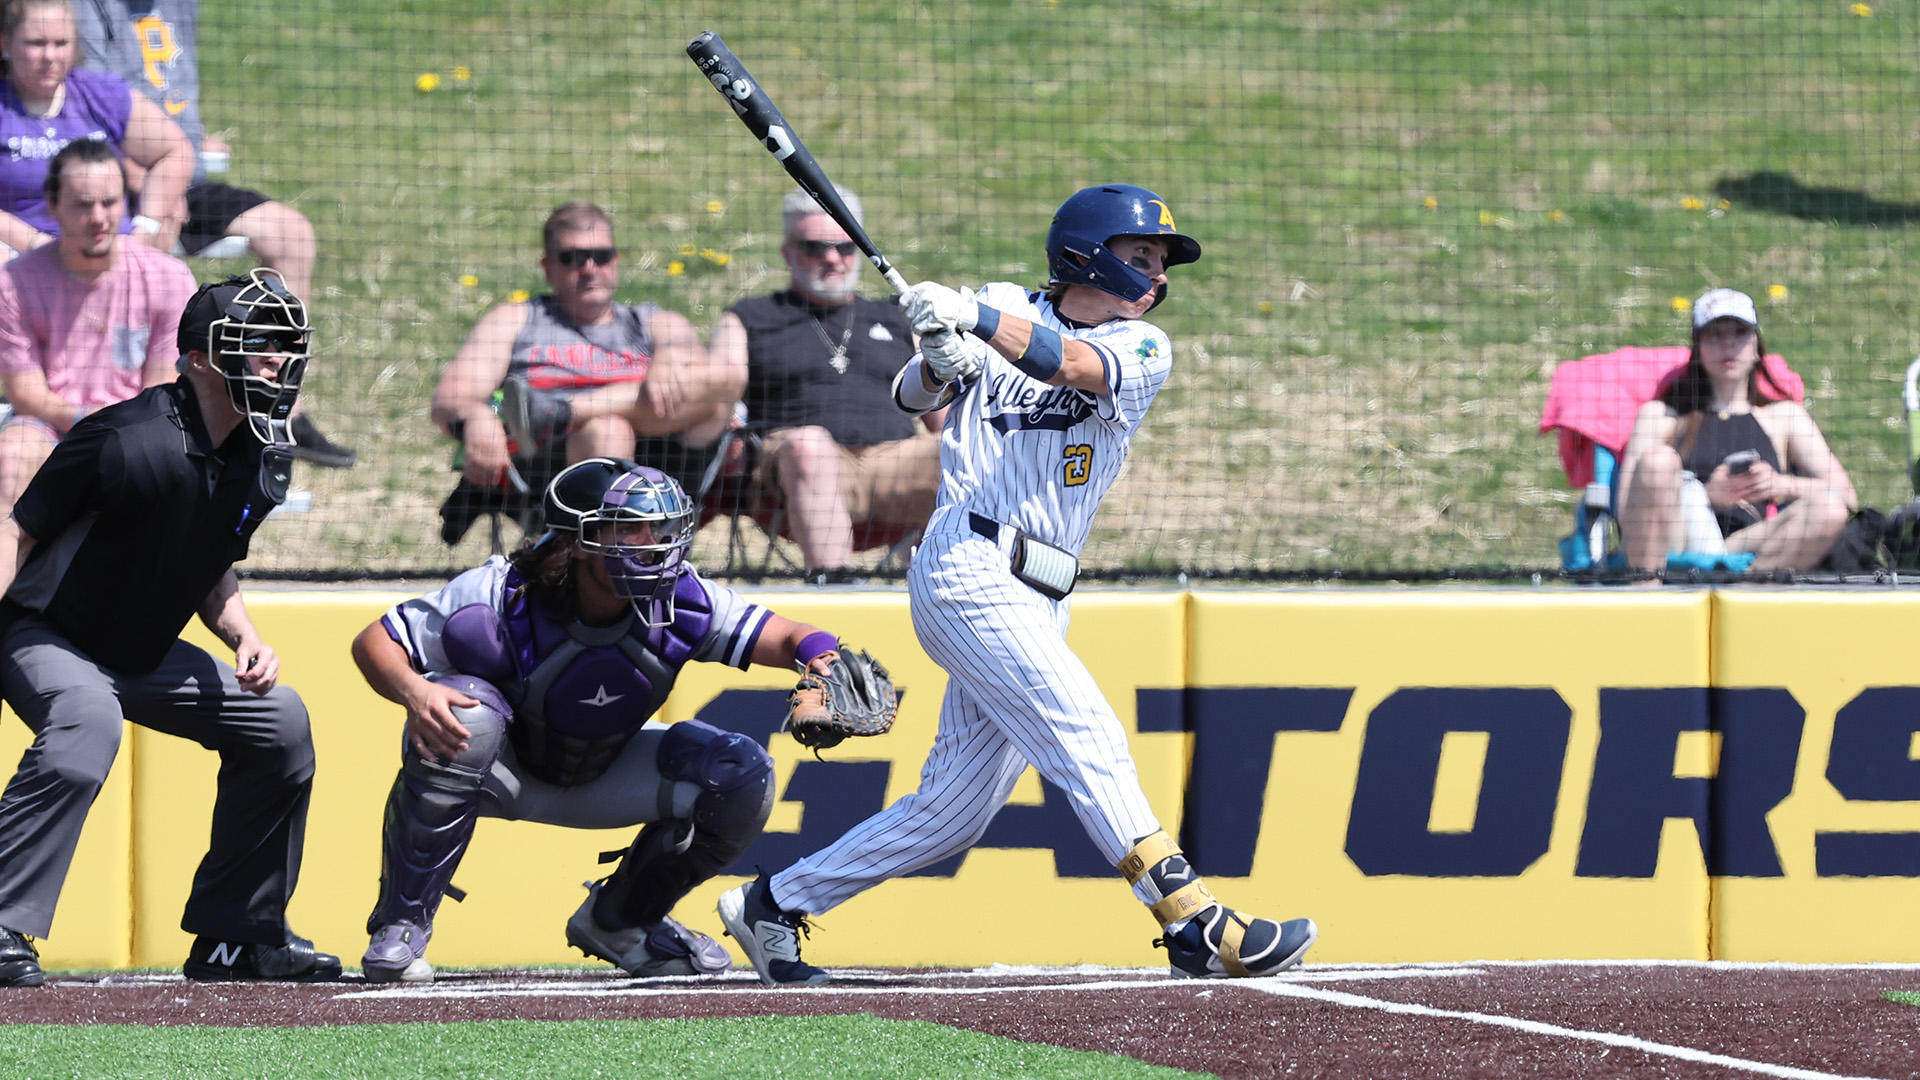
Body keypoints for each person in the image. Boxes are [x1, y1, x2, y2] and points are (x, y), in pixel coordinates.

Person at [716, 184, 1318, 985]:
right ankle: (1192, 923)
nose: (1156, 276)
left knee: (953, 813)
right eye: (1139, 256)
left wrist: (970, 320)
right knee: (1087, 733)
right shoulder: (1000, 303)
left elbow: (1067, 361)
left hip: (1041, 590)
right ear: (1085, 253)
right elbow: (911, 396)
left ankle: (775, 903)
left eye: (1159, 262)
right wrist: (938, 357)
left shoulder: (1143, 347)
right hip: (969, 567)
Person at [353, 457, 874, 983]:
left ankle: (621, 924)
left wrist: (824, 659)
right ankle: (400, 925)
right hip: (502, 766)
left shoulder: (684, 599)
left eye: (662, 527)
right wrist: (415, 693)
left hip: (606, 769)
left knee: (742, 773)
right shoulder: (500, 594)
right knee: (464, 709)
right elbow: (377, 640)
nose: (655, 542)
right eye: (633, 528)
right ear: (580, 540)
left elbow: (788, 636)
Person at [0, 267, 339, 988]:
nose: (278, 357)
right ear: (198, 359)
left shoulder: (261, 455)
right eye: (257, 343)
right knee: (86, 726)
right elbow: (20, 534)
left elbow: (209, 562)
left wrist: (243, 633)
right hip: (44, 633)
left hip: (142, 652)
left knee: (278, 722)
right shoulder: (124, 439)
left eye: (285, 342)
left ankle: (237, 937)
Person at [72, 0, 353, 469]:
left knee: (292, 235)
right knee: (155, 260)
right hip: (120, 178)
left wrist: (192, 134)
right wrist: (157, 185)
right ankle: (144, 412)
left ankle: (279, 411)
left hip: (185, 174)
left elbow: (170, 77)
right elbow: (87, 116)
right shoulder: (85, 9)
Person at [433, 201, 736, 541]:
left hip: (661, 467)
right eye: (573, 258)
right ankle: (610, 558)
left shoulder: (653, 323)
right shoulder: (516, 320)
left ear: (616, 262)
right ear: (548, 268)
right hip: (549, 470)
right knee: (608, 430)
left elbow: (715, 381)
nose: (590, 268)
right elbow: (450, 398)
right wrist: (477, 416)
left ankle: (553, 412)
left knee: (724, 378)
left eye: (601, 256)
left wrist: (671, 355)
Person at [709, 187, 944, 584]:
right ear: (788, 253)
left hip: (894, 461)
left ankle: (945, 589)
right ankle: (833, 587)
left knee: (965, 448)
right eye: (815, 248)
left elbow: (944, 415)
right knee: (809, 445)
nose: (832, 258)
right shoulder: (751, 317)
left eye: (844, 248)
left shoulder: (895, 319)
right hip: (792, 470)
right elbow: (715, 396)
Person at [0, 139, 196, 532]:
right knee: (10, 460)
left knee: (178, 470)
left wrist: (114, 430)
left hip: (138, 426)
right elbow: (26, 394)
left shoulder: (167, 278)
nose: (98, 217)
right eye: (82, 204)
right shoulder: (14, 282)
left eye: (109, 202)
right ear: (52, 206)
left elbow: (162, 390)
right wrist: (80, 419)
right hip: (50, 425)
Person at [1618, 287, 1855, 573]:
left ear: (1756, 345)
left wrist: (1781, 485)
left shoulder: (1784, 417)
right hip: (1674, 538)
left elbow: (1847, 495)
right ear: (1698, 346)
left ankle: (1745, 595)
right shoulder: (1660, 415)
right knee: (1659, 462)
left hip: (1741, 543)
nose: (1727, 345)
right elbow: (1625, 509)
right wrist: (1705, 496)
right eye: (1714, 334)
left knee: (1829, 509)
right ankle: (1648, 590)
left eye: (1739, 332)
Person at [0, 0, 190, 255]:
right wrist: (37, 245)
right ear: (5, 43)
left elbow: (175, 151)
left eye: (61, 43)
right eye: (36, 43)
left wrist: (146, 229)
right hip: (18, 258)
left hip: (110, 256)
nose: (50, 56)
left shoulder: (103, 94)